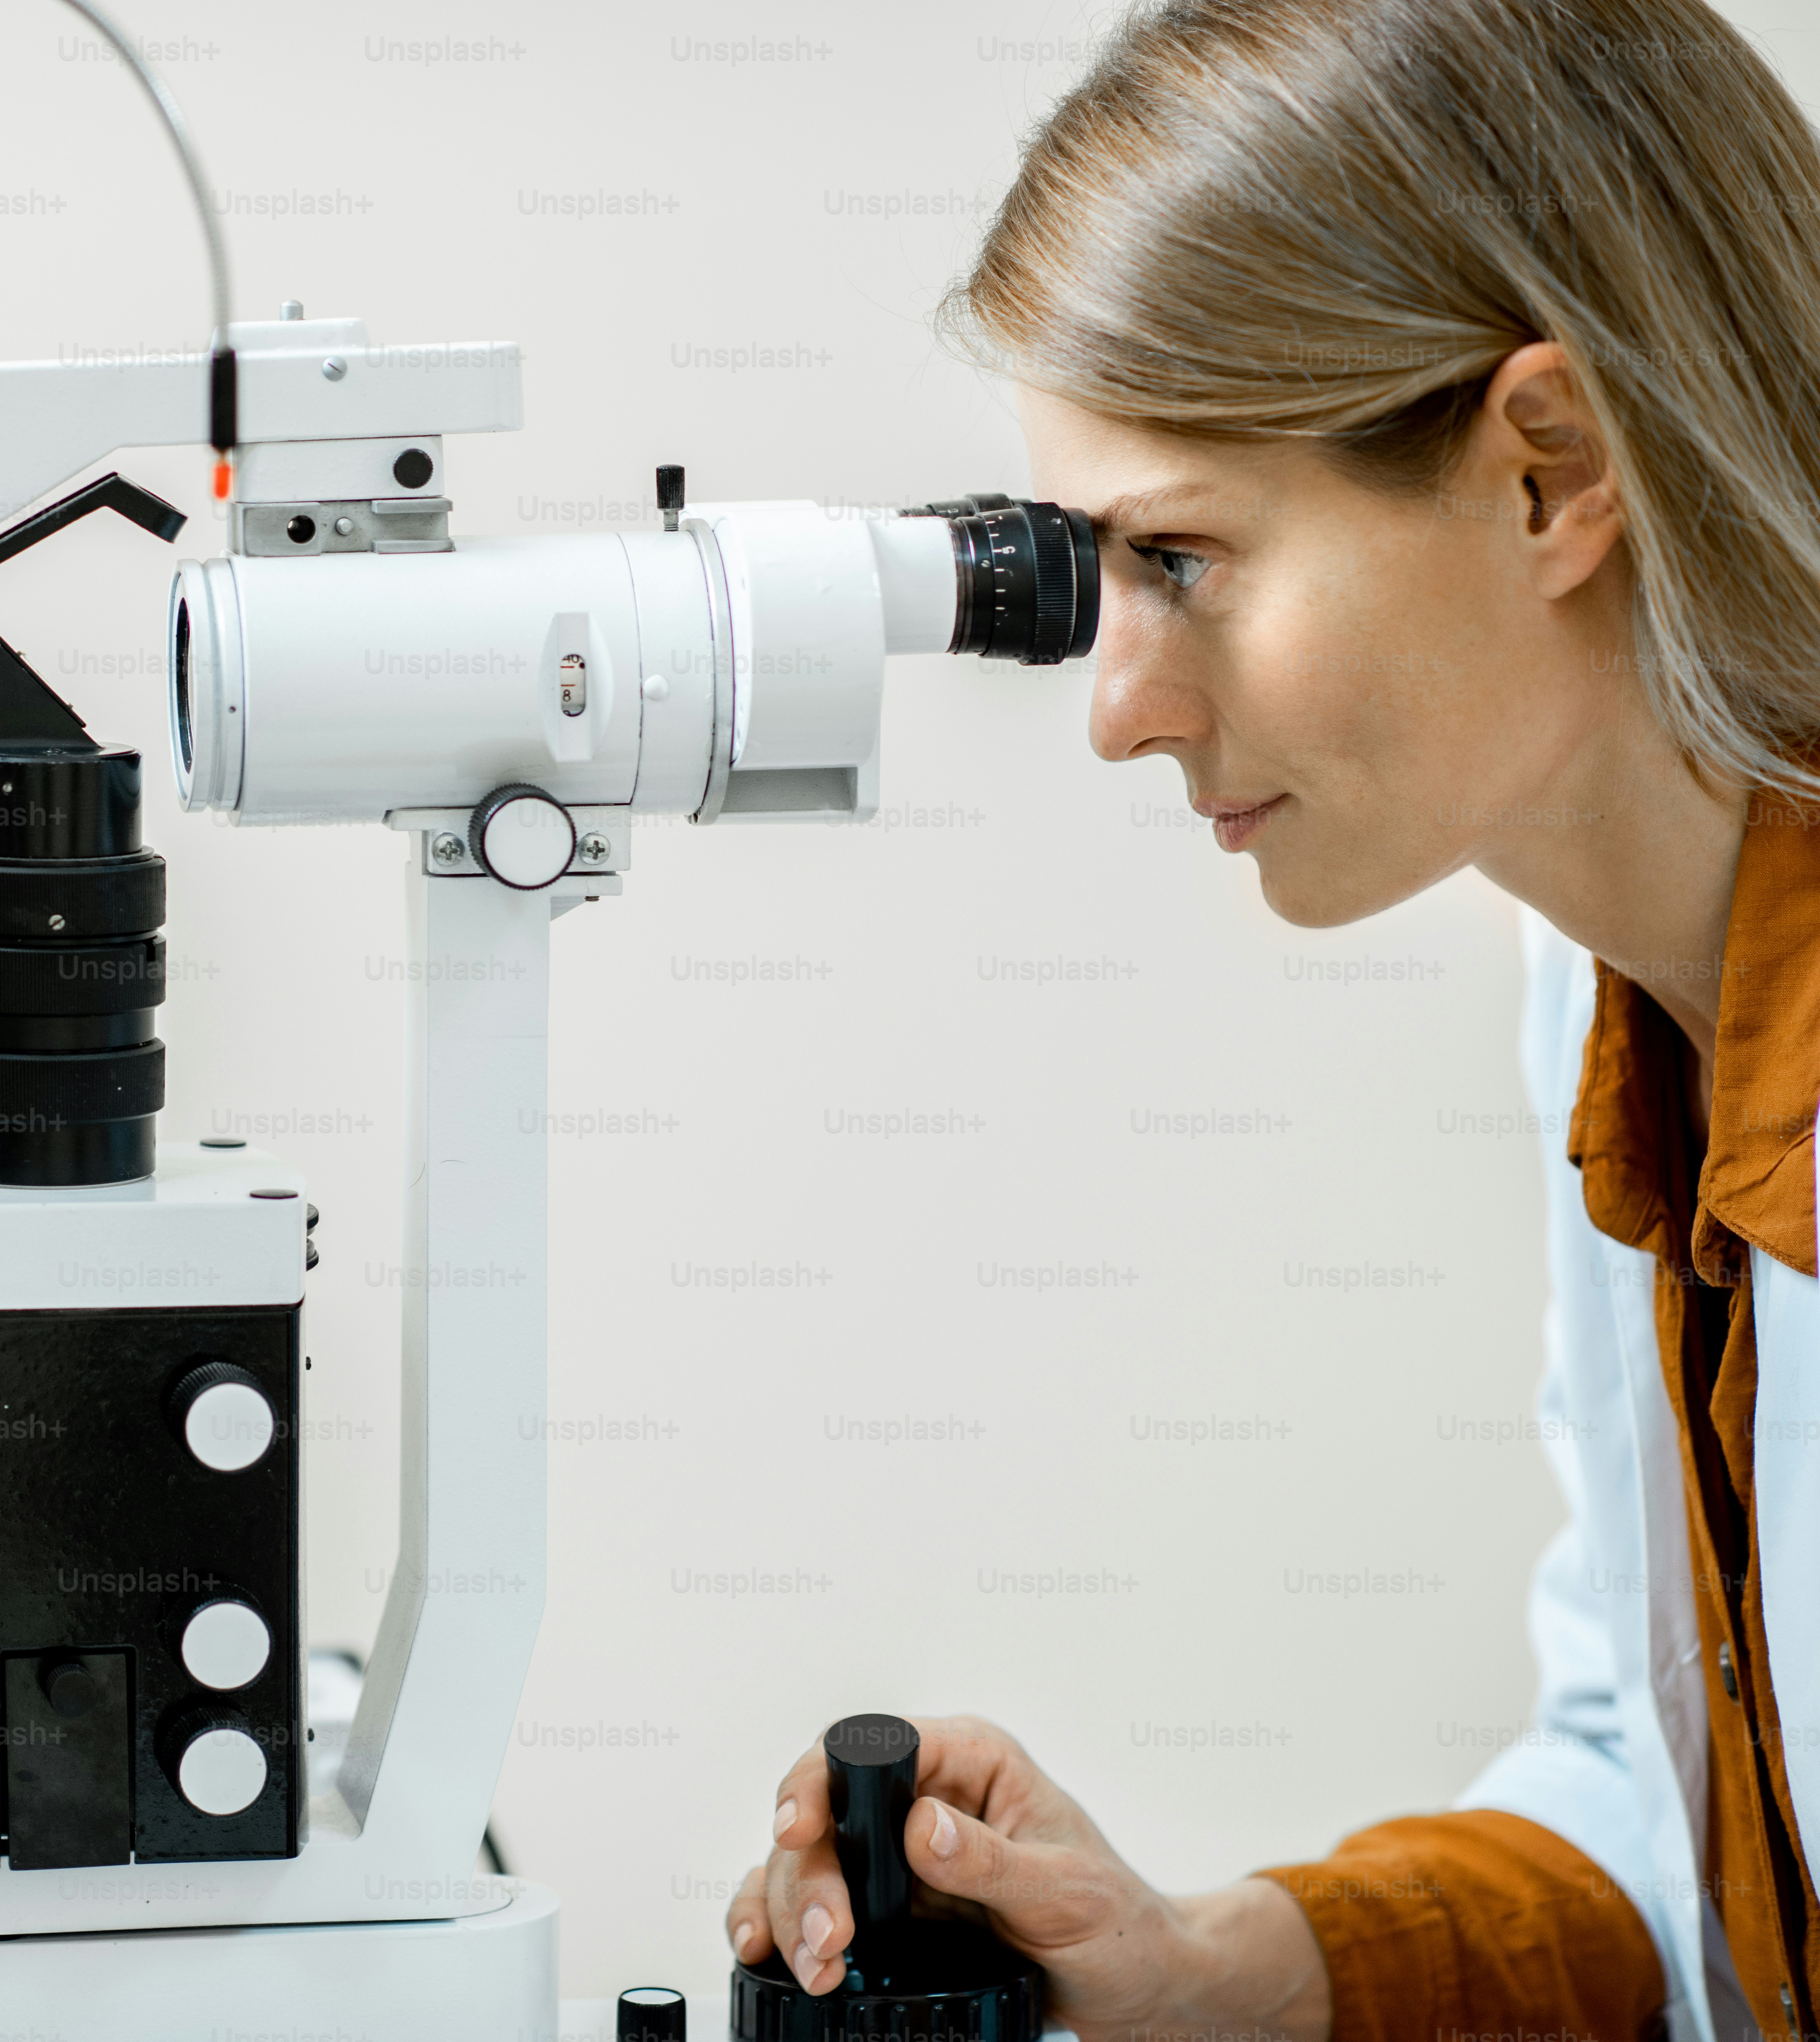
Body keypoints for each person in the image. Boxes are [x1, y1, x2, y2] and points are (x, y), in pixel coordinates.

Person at [728, 2, 1820, 2038]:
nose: (1117, 704)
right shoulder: (1617, 1001)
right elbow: (1686, 1842)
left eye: (1184, 558)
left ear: (1547, 477)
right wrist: (1200, 1968)